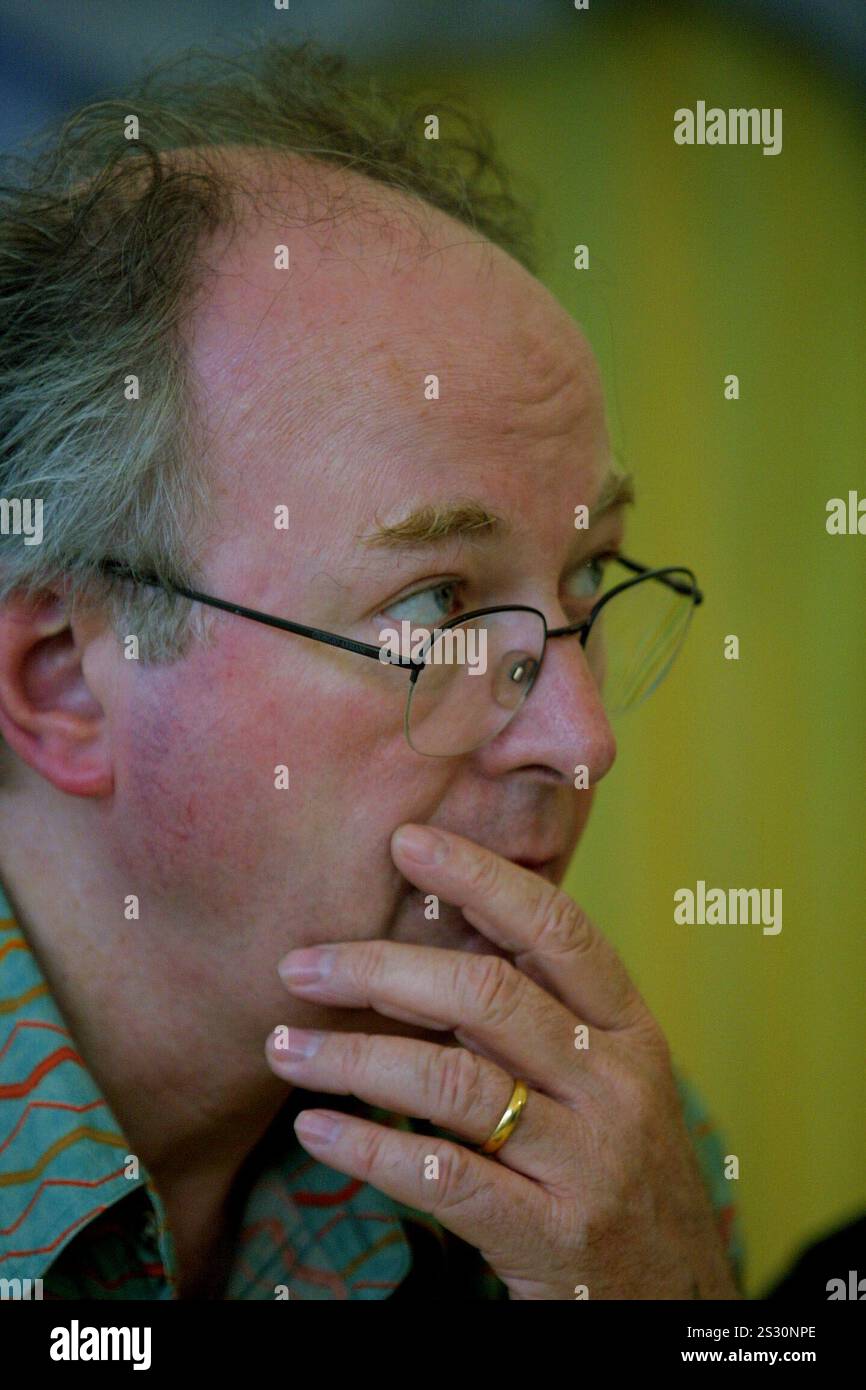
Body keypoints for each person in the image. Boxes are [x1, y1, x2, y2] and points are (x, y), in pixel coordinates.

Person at [0, 38, 743, 1300]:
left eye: (584, 585)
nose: (580, 740)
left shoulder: (581, 1160)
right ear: (64, 679)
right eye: (438, 608)